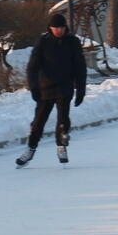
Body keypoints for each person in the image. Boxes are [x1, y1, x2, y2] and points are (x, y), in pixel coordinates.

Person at [16, 12, 87, 166]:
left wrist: (81, 89)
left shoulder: (72, 41)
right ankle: (30, 149)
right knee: (38, 122)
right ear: (50, 28)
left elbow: (80, 66)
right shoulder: (43, 41)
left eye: (61, 27)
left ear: (65, 27)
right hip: (45, 88)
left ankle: (61, 146)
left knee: (63, 119)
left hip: (65, 87)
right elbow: (32, 66)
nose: (58, 30)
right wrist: (34, 87)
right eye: (55, 28)